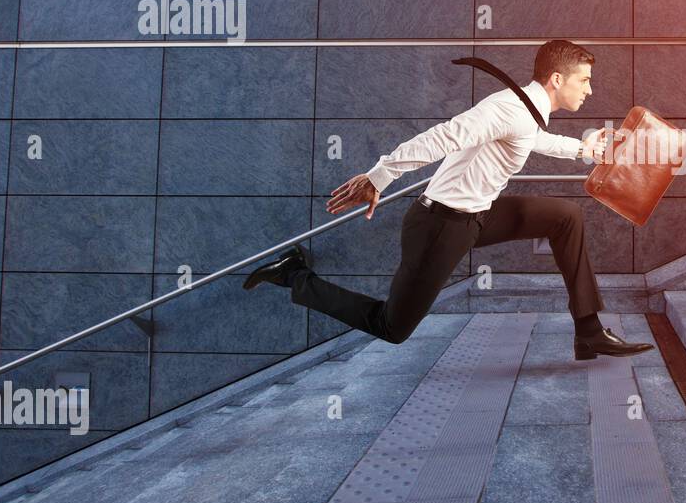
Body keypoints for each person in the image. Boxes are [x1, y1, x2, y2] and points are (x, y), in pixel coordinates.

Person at [243, 39, 654, 360]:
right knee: (393, 327)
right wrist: (380, 176)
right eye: (584, 80)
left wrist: (585, 151)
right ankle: (295, 277)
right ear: (557, 80)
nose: (590, 89)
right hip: (440, 227)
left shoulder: (525, 113)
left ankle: (588, 331)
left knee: (565, 216)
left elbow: (532, 139)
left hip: (475, 217)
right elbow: (445, 136)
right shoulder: (507, 109)